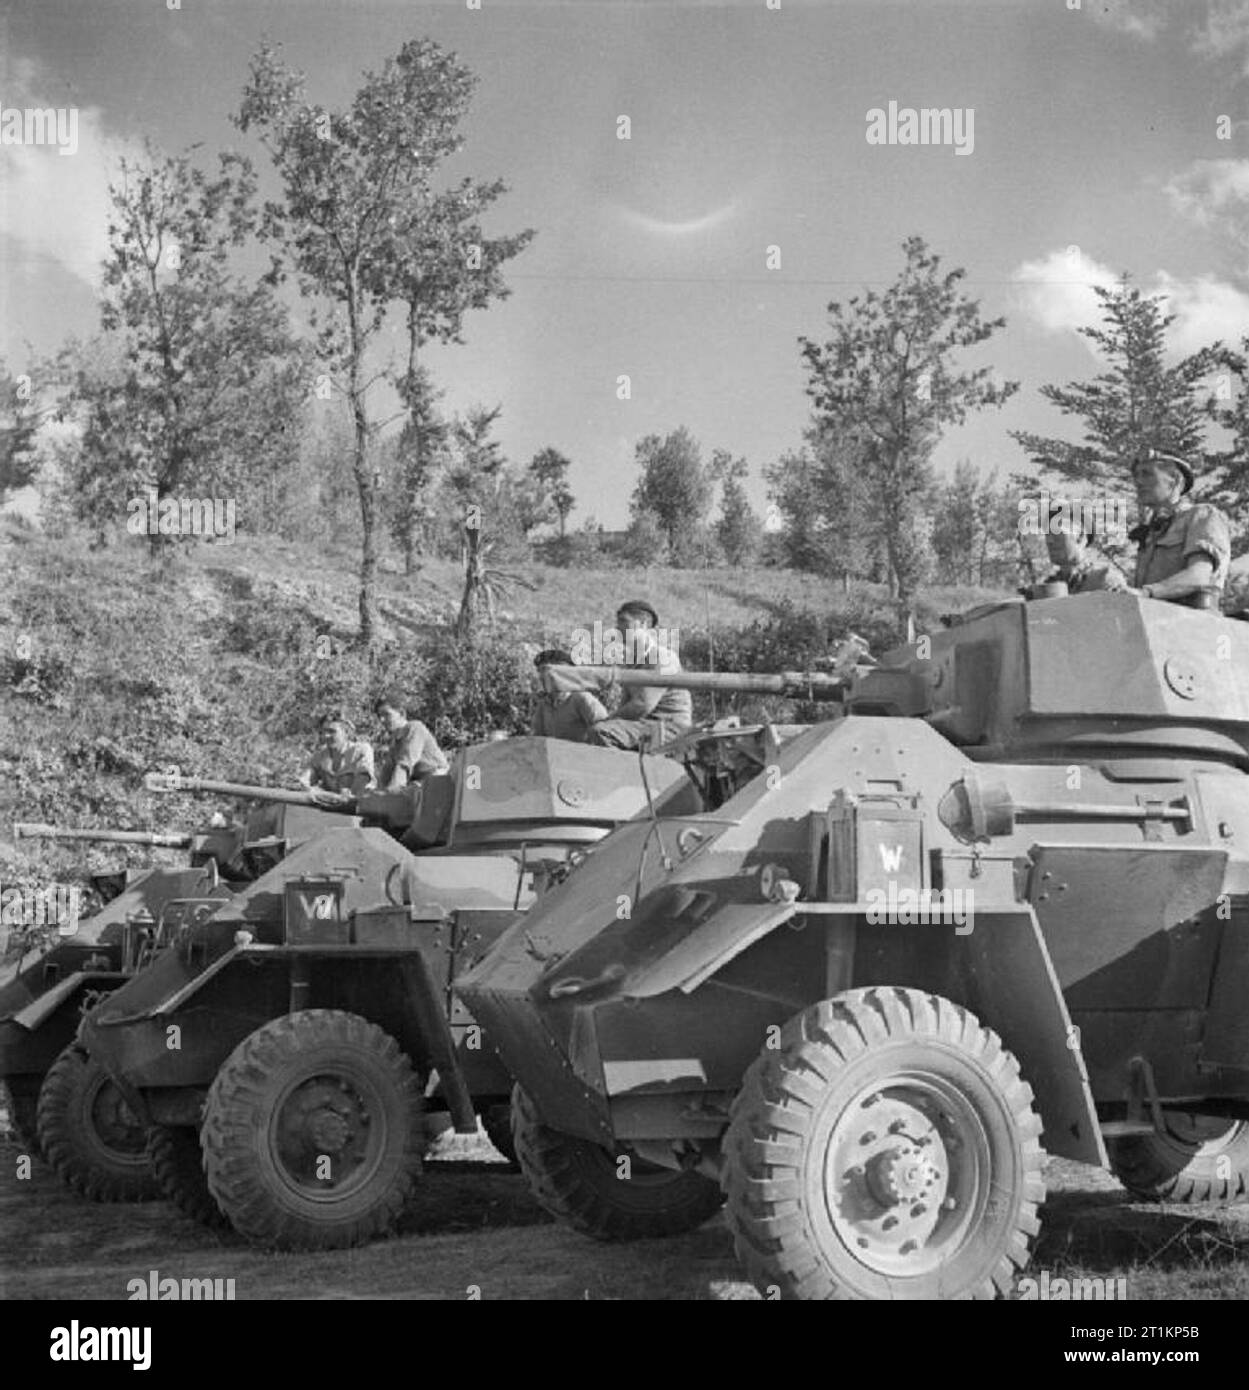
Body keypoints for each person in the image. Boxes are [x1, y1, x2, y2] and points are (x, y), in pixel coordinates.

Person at [1127, 450, 1230, 608]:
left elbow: (1199, 576)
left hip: (1193, 623)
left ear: (1174, 481)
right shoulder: (1151, 532)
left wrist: (1146, 593)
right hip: (1153, 620)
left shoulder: (1201, 516)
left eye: (1147, 474)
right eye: (1137, 476)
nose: (1138, 482)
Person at [587, 601, 693, 751]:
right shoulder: (633, 661)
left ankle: (621, 774)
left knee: (602, 732)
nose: (618, 628)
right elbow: (627, 703)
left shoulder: (662, 657)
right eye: (618, 622)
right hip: (646, 725)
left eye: (624, 621)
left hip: (670, 727)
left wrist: (609, 720)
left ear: (643, 624)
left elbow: (643, 705)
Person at [373, 687, 450, 792]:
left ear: (401, 713)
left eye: (387, 714)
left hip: (438, 781)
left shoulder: (414, 728)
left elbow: (405, 764)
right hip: (419, 784)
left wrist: (390, 794)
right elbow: (386, 774)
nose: (382, 720)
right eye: (380, 716)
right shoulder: (395, 741)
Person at [1042, 505, 1127, 594]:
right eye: (1047, 535)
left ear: (1080, 537)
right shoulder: (1048, 588)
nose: (1049, 541)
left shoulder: (1104, 580)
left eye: (1057, 534)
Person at [531, 649, 608, 743]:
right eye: (540, 671)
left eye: (546, 670)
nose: (542, 676)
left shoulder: (581, 699)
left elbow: (605, 732)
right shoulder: (543, 705)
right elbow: (537, 740)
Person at [298, 716, 375, 799]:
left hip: (359, 806)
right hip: (333, 806)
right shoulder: (320, 755)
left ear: (346, 732)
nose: (326, 736)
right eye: (324, 731)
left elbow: (361, 783)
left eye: (332, 731)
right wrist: (305, 784)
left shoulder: (361, 750)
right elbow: (305, 780)